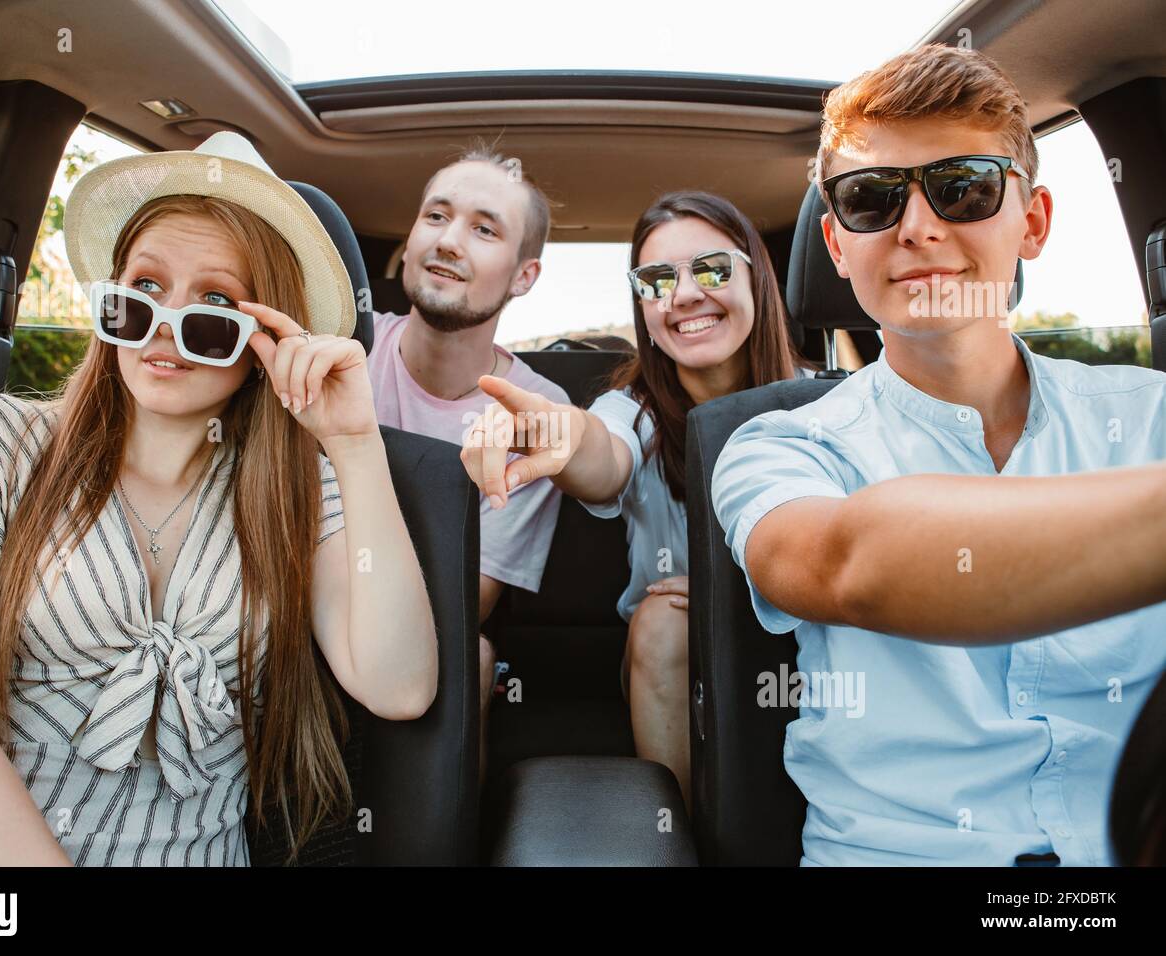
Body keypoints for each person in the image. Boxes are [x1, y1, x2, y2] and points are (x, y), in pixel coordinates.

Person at [0, 132, 437, 866]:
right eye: (141, 291)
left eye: (213, 306)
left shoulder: (300, 490)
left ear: (264, 341)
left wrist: (355, 444)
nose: (164, 327)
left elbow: (400, 686)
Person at [711, 44, 1166, 865]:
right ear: (839, 246)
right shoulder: (776, 446)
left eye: (963, 188)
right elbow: (851, 563)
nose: (918, 227)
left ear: (1033, 221)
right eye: (870, 199)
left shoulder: (1152, 419)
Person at [461, 191, 807, 807]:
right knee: (661, 626)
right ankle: (679, 837)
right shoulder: (632, 412)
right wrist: (556, 433)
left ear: (758, 275)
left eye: (712, 268)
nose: (684, 295)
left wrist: (726, 597)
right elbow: (602, 455)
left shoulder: (824, 407)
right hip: (680, 658)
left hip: (811, 654)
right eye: (655, 280)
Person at [365, 145, 569, 775]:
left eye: (484, 229)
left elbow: (467, 599)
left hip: (423, 638)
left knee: (471, 655)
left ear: (523, 277)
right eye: (435, 217)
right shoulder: (349, 349)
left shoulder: (538, 411)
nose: (449, 241)